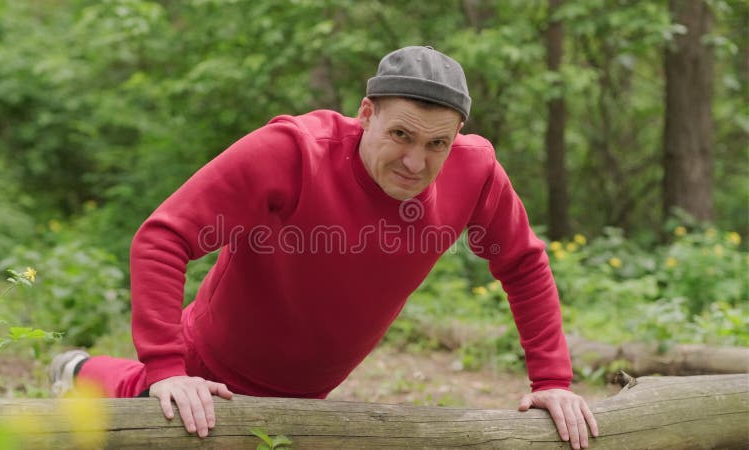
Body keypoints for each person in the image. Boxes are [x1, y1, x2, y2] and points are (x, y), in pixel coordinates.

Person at [50, 46, 598, 449]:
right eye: (401, 135)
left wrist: (552, 382)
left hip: (312, 392)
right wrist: (168, 370)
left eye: (437, 144)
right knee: (137, 390)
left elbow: (524, 264)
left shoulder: (475, 172)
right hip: (211, 362)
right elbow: (163, 236)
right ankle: (75, 372)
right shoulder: (292, 152)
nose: (416, 162)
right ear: (366, 114)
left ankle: (80, 370)